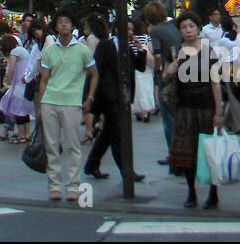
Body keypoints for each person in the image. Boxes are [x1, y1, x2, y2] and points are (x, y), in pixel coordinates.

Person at [37, 11, 99, 202]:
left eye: (67, 22)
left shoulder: (82, 50)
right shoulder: (49, 51)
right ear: (55, 27)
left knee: (72, 146)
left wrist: (89, 97)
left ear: (73, 26)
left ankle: (74, 186)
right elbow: (44, 79)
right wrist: (41, 104)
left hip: (72, 102)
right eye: (60, 22)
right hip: (50, 101)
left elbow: (94, 73)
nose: (64, 25)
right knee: (52, 146)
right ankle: (54, 185)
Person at [165, 13, 225, 209]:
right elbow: (164, 76)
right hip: (185, 108)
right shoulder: (175, 52)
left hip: (206, 107)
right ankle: (191, 192)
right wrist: (170, 70)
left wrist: (219, 111)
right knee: (187, 153)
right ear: (180, 31)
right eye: (184, 27)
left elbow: (216, 84)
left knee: (210, 152)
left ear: (199, 28)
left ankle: (213, 194)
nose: (188, 30)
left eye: (191, 26)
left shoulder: (209, 52)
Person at [84, 15, 147, 182]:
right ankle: (127, 171)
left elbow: (140, 67)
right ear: (118, 29)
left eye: (132, 29)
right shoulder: (106, 45)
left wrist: (140, 48)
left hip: (124, 96)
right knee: (118, 135)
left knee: (108, 135)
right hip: (110, 97)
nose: (131, 32)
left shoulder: (128, 47)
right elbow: (98, 70)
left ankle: (92, 164)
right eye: (127, 29)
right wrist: (105, 94)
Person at [146, 2, 182, 166]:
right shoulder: (173, 27)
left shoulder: (155, 30)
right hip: (181, 73)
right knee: (178, 115)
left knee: (168, 118)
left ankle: (173, 154)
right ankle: (182, 151)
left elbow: (158, 54)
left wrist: (159, 71)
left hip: (168, 76)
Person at [0, 35, 33, 144]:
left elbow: (11, 70)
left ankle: (21, 135)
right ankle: (27, 134)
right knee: (24, 112)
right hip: (25, 84)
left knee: (18, 111)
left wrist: (7, 83)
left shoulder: (14, 52)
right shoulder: (23, 50)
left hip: (18, 85)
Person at [132, 18, 157, 121]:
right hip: (145, 65)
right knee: (147, 88)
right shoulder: (146, 38)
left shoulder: (130, 38)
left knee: (137, 89)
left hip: (135, 65)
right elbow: (151, 50)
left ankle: (138, 111)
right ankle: (147, 112)